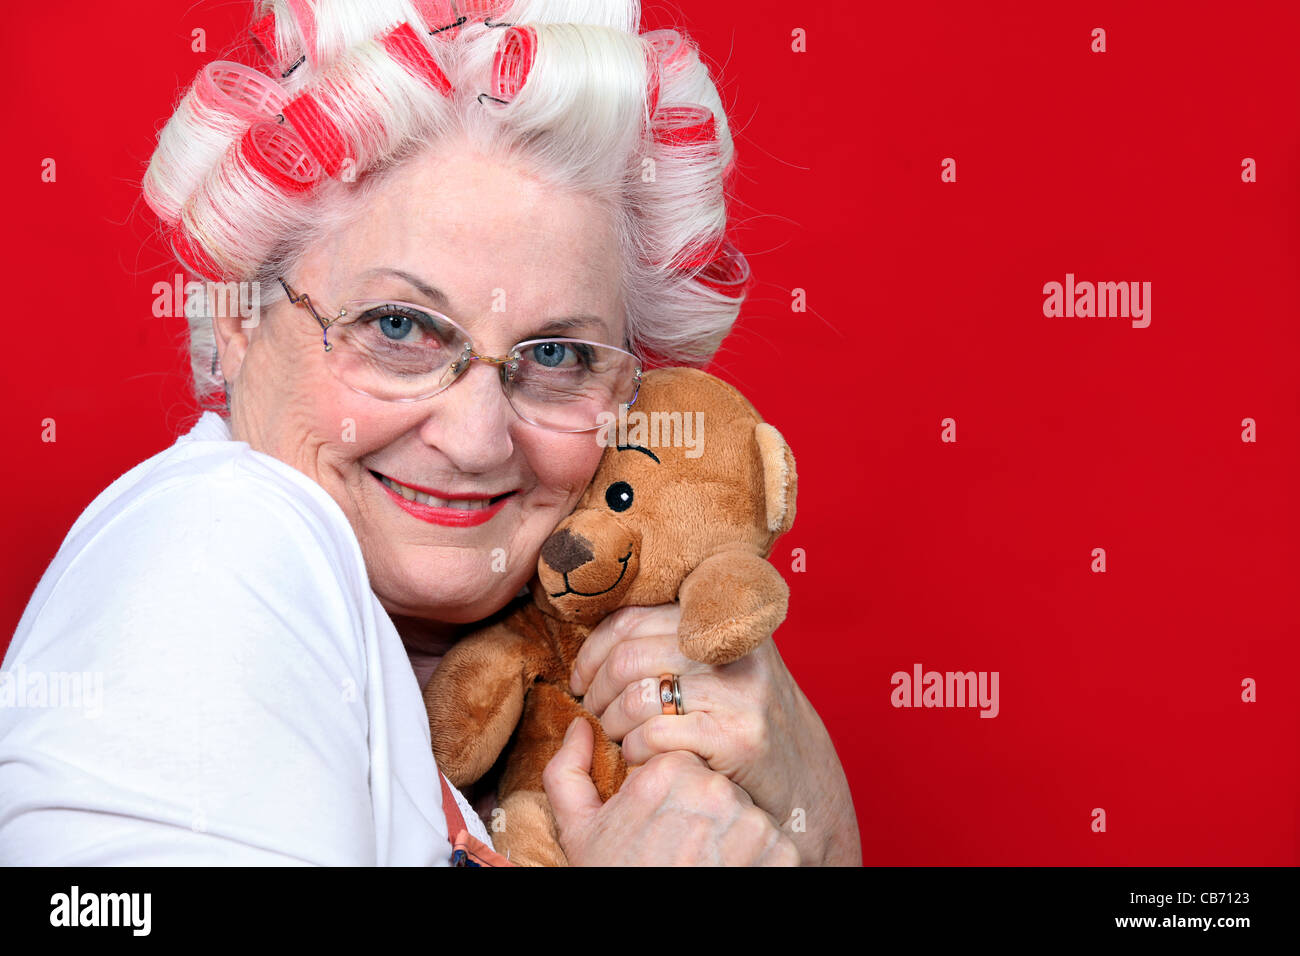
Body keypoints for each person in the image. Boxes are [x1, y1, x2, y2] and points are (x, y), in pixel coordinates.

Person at [0, 0, 859, 866]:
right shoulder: (220, 541)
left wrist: (816, 810)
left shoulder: (559, 692)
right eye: (400, 328)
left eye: (555, 353)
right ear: (240, 319)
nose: (479, 440)